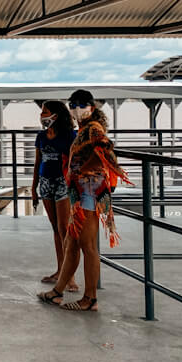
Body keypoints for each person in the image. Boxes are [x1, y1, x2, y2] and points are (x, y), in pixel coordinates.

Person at [39, 90, 130, 312]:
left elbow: (106, 151)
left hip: (89, 192)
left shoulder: (93, 129)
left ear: (91, 106)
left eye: (81, 104)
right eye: (73, 104)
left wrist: (83, 170)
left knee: (87, 246)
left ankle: (90, 298)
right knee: (71, 242)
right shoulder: (84, 129)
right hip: (79, 194)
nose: (76, 108)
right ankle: (57, 292)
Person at [32, 101, 78, 292]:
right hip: (45, 182)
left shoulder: (69, 136)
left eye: (45, 112)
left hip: (62, 182)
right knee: (55, 228)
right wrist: (34, 186)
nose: (42, 115)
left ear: (56, 115)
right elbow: (37, 162)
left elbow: (75, 160)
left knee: (64, 228)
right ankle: (60, 270)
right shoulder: (41, 136)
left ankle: (70, 276)